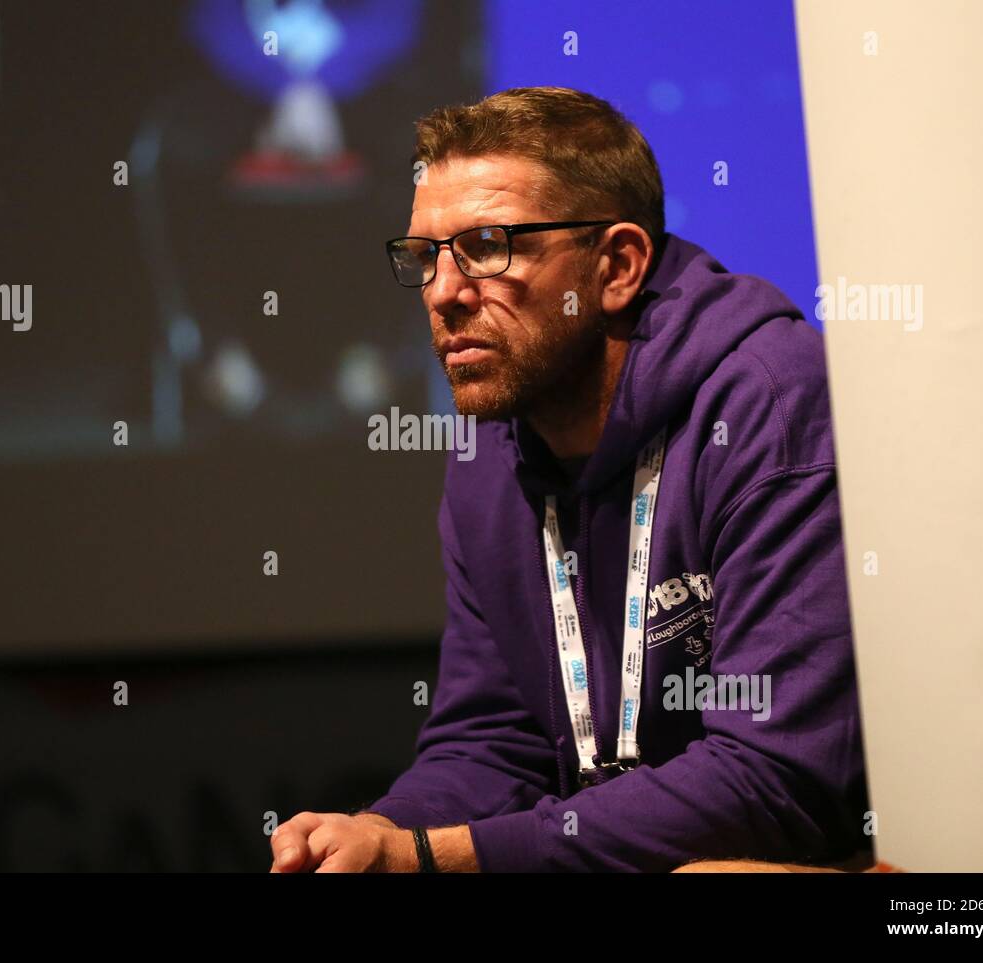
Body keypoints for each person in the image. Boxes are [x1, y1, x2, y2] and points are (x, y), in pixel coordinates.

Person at [270, 86, 870, 872]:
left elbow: (779, 780)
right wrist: (380, 836)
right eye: (424, 256)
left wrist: (439, 855)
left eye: (487, 245)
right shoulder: (491, 448)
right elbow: (493, 740)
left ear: (617, 266)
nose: (445, 292)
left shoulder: (769, 401)